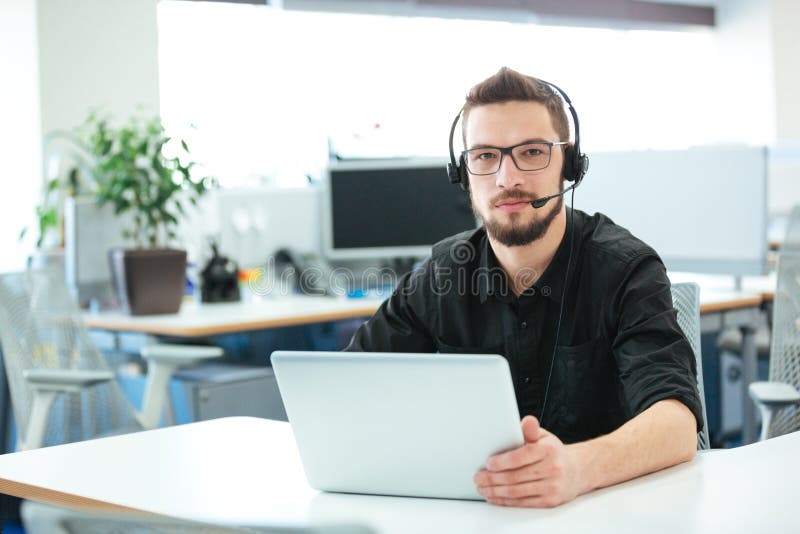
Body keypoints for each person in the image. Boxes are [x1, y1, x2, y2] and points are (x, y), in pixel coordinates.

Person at [344, 67, 703, 508]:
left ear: (569, 164)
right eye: (485, 156)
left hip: (605, 514)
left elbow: (677, 424)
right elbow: (348, 390)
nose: (506, 178)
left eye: (531, 152)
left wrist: (576, 468)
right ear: (463, 173)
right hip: (478, 513)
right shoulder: (441, 275)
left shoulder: (625, 269)